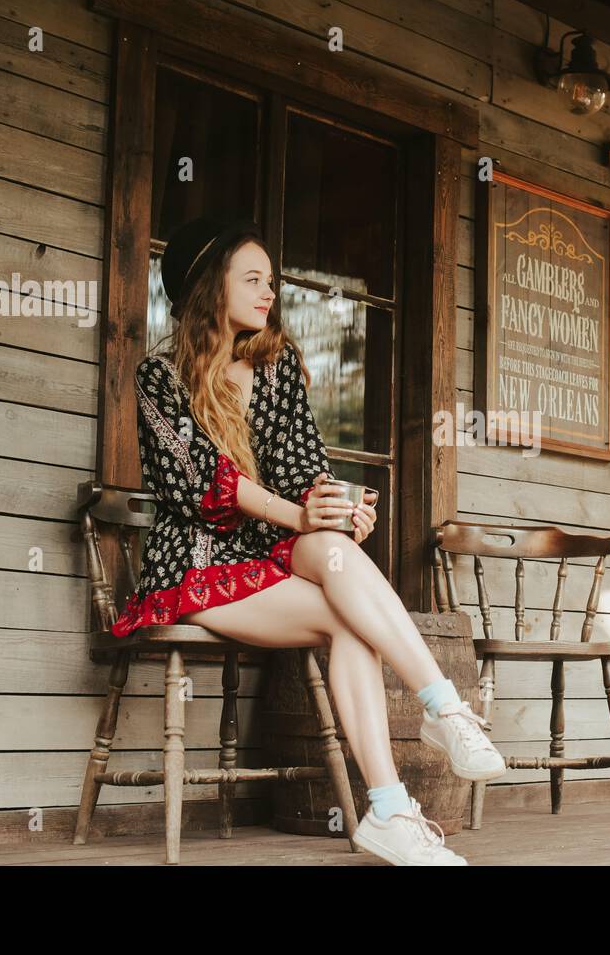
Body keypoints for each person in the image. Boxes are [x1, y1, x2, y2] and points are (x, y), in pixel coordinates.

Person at [112, 216, 505, 865]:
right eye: (252, 278)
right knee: (349, 617)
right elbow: (200, 478)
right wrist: (298, 518)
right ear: (209, 286)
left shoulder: (278, 362)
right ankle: (397, 794)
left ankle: (428, 733)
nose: (269, 292)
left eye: (272, 279)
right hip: (199, 562)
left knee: (339, 553)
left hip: (271, 549)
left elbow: (300, 463)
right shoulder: (160, 374)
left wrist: (333, 509)